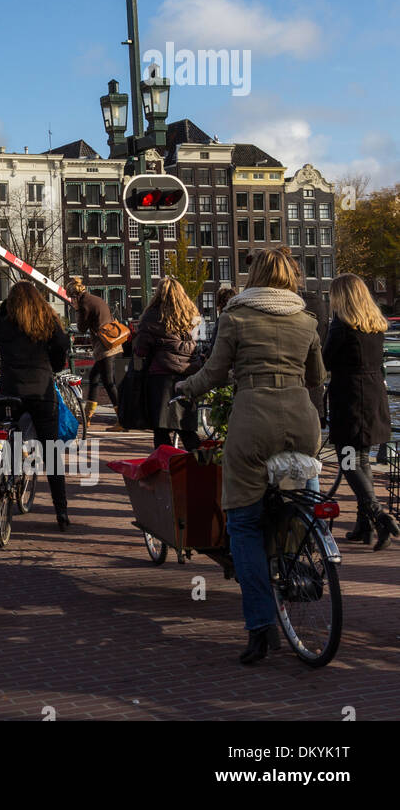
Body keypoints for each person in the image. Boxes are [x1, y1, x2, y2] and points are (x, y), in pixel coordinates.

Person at [175, 249, 326, 665]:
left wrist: (185, 389)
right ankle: (305, 557)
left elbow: (215, 374)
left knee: (242, 523)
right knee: (305, 497)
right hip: (301, 420)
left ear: (255, 275)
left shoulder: (236, 316)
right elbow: (317, 379)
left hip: (252, 421)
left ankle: (261, 628)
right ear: (292, 278)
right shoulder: (306, 319)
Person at [0, 282, 73, 529]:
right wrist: (53, 365)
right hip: (41, 391)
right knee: (52, 454)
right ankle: (62, 513)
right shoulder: (46, 319)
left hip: (10, 390)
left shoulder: (3, 321)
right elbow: (63, 344)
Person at [323, 274, 399, 549]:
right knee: (362, 459)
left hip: (350, 397)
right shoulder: (375, 325)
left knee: (347, 459)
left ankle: (379, 517)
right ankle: (363, 526)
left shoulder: (341, 325)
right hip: (374, 395)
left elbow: (325, 361)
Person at [133, 276, 202, 451]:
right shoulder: (190, 314)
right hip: (188, 376)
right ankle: (202, 469)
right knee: (187, 430)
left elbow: (141, 350)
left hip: (160, 379)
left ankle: (166, 470)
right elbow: (197, 342)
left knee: (161, 431)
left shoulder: (152, 316)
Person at [69, 277, 122, 424]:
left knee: (108, 382)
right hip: (110, 342)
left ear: (76, 296)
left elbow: (81, 328)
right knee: (94, 377)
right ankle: (88, 416)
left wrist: (77, 310)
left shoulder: (84, 305)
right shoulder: (95, 299)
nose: (71, 301)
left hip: (105, 347)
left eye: (72, 298)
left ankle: (122, 419)